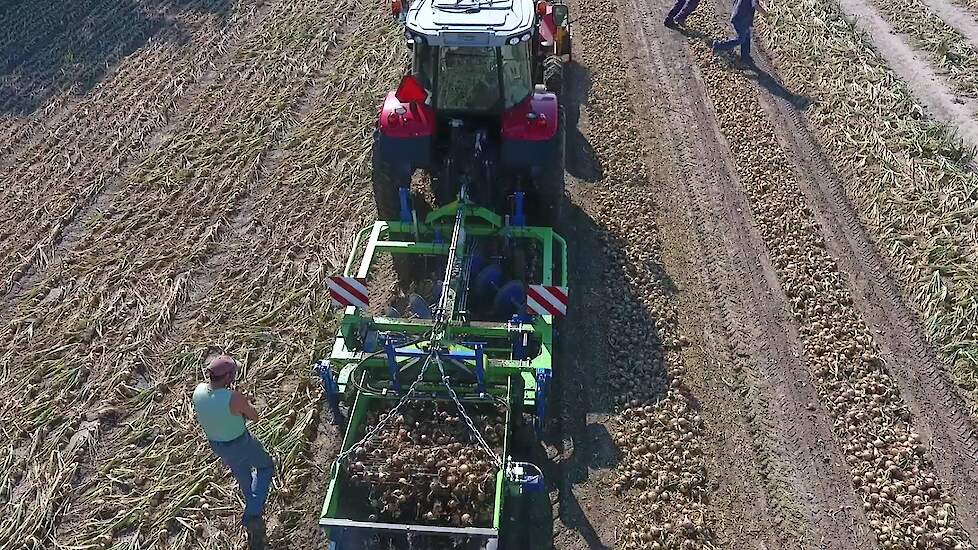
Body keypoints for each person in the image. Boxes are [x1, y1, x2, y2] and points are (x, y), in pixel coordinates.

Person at [192, 354, 273, 550]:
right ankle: (252, 513)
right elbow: (255, 417)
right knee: (265, 467)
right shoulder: (233, 398)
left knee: (242, 474)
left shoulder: (198, 391)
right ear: (228, 377)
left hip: (218, 446)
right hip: (240, 443)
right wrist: (246, 404)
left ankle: (251, 501)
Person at [712, 0, 769, 64]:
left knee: (747, 36)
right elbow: (755, 5)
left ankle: (745, 57)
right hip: (740, 19)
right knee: (741, 39)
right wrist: (767, 15)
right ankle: (719, 45)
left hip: (741, 17)